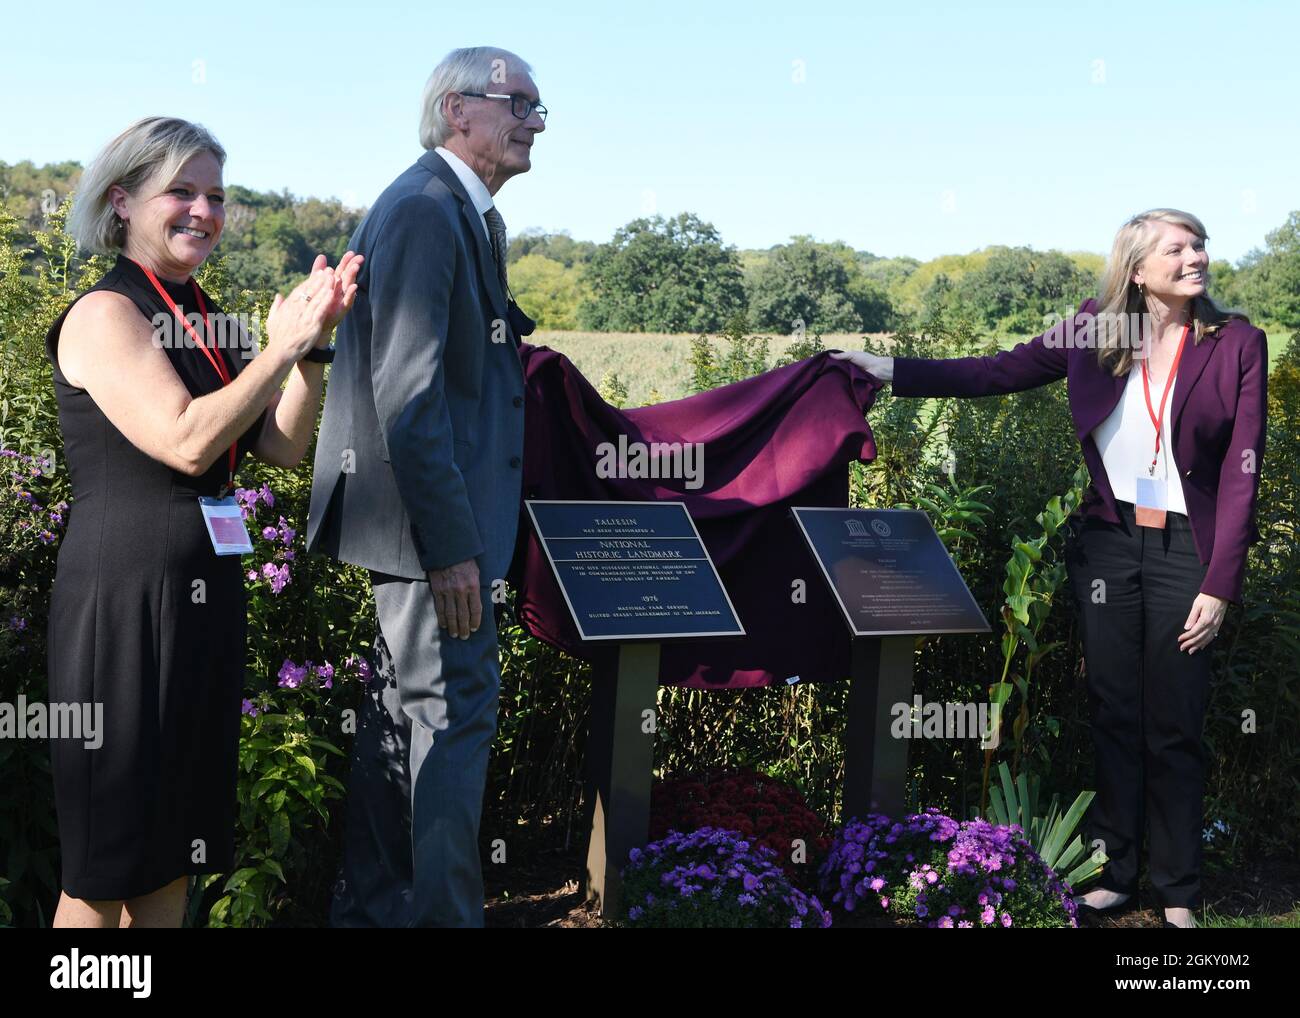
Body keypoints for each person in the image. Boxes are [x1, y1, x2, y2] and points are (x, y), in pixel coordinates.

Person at [831, 208, 1267, 929]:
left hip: (1189, 548)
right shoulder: (1095, 328)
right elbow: (995, 371)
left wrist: (1220, 584)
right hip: (1109, 543)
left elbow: (1244, 472)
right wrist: (890, 371)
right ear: (1137, 269)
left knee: (1175, 722)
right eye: (1178, 248)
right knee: (1115, 712)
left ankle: (1179, 892)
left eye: (1200, 246)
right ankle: (1116, 875)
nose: (1196, 257)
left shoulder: (1236, 342)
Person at [46, 116, 360, 927]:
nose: (203, 211)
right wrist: (277, 348)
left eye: (216, 195)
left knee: (173, 847)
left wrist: (311, 350)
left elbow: (280, 447)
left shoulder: (203, 315)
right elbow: (186, 442)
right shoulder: (106, 313)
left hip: (199, 599)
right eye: (180, 191)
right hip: (121, 603)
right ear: (123, 201)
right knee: (106, 862)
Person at [305, 46, 544, 927]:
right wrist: (451, 550)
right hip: (430, 541)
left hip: (427, 535)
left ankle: (376, 913)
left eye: (539, 108)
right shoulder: (426, 209)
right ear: (457, 110)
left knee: (407, 724)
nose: (535, 122)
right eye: (519, 103)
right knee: (453, 720)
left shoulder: (452, 209)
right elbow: (408, 398)